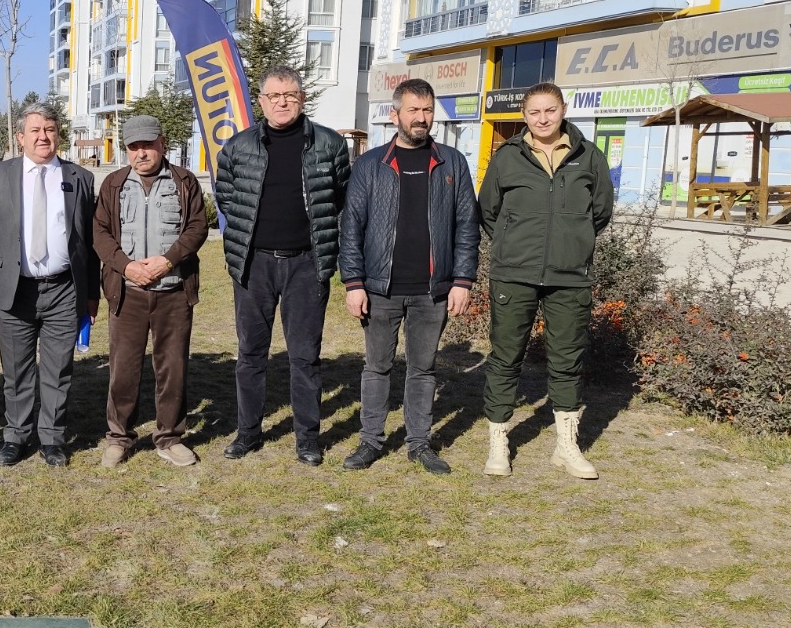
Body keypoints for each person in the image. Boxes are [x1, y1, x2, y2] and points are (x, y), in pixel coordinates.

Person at [337, 78, 479, 475]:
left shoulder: (452, 162)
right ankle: (370, 441)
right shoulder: (370, 165)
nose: (421, 117)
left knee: (423, 369)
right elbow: (352, 227)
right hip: (380, 288)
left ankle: (419, 444)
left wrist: (462, 280)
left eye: (427, 110)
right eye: (413, 109)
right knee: (376, 367)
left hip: (432, 291)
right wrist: (353, 283)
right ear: (395, 114)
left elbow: (467, 225)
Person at [213, 66, 351, 465]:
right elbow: (228, 199)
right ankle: (248, 433)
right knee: (250, 353)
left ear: (302, 98)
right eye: (274, 96)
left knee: (304, 356)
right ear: (261, 101)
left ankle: (307, 438)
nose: (282, 102)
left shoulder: (329, 144)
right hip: (254, 264)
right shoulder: (238, 147)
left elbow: (339, 197)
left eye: (290, 94)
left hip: (306, 264)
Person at [478, 81, 615, 479]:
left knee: (567, 360)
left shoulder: (589, 156)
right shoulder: (507, 157)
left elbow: (601, 212)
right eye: (535, 112)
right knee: (505, 357)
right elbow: (488, 211)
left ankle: (566, 447)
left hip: (570, 277)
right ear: (524, 116)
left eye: (550, 110)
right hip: (514, 274)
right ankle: (498, 443)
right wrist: (514, 243)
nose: (543, 119)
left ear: (563, 110)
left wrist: (572, 243)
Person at [0, 105, 99, 467]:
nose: (43, 136)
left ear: (58, 134)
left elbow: (90, 243)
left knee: (58, 370)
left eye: (50, 129)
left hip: (64, 290)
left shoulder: (80, 177)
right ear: (20, 137)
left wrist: (91, 293)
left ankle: (52, 438)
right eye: (35, 130)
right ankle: (15, 436)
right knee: (17, 371)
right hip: (15, 290)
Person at [92, 114, 209, 468]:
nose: (141, 153)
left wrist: (168, 261)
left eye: (147, 145)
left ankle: (169, 437)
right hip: (127, 293)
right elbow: (100, 232)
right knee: (123, 369)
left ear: (162, 144)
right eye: (133, 147)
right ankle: (119, 437)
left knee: (172, 368)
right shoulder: (113, 184)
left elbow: (197, 227)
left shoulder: (184, 182)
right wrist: (125, 266)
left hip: (173, 293)